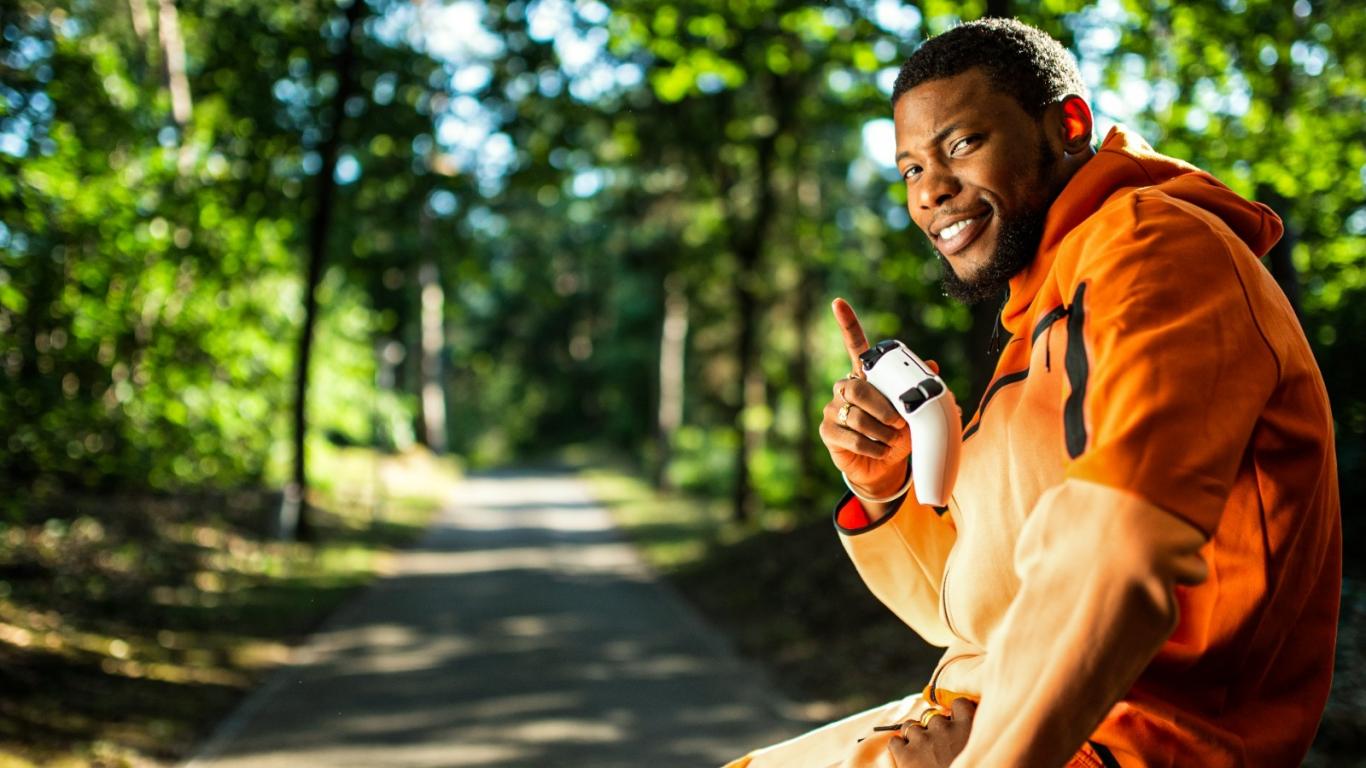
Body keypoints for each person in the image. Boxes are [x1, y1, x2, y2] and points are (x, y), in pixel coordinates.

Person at [724, 18, 1340, 768]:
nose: (932, 191)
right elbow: (974, 609)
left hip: (1119, 746)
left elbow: (1118, 550)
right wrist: (885, 488)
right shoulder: (1041, 319)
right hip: (992, 720)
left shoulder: (1157, 252)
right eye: (911, 169)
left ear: (1068, 124)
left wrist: (988, 757)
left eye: (960, 145)